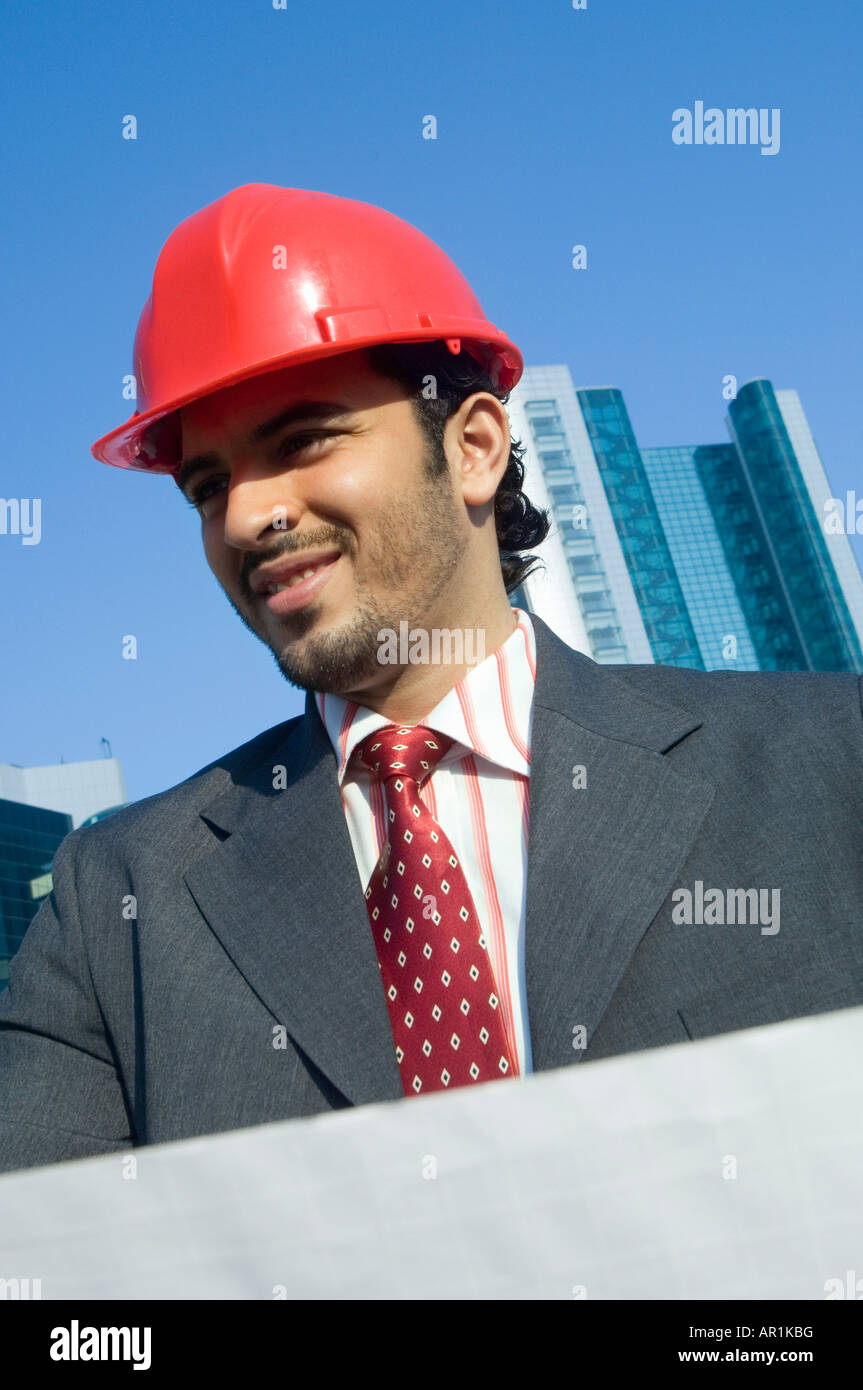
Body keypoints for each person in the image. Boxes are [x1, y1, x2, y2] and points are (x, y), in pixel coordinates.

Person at [1, 183, 862, 1174]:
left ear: (472, 448)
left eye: (302, 440)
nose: (246, 516)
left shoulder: (826, 765)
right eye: (209, 486)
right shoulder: (114, 903)